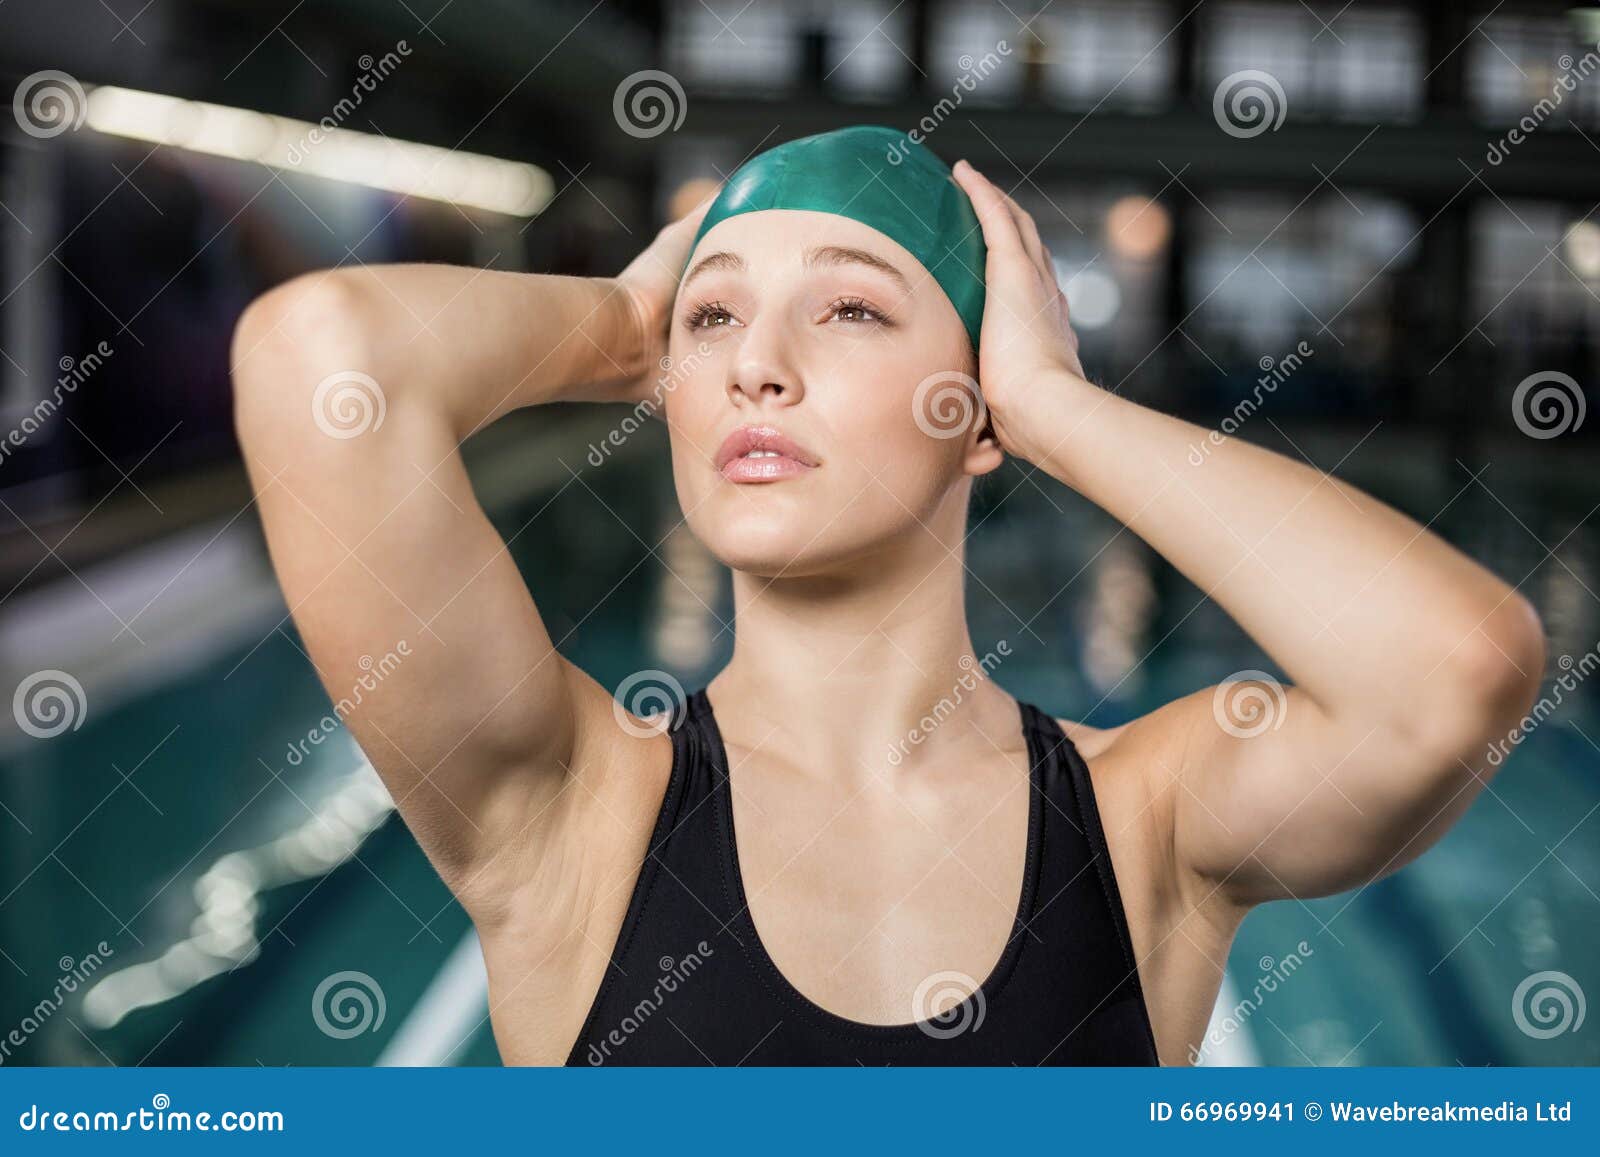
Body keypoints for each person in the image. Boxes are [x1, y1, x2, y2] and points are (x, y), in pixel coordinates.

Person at [230, 126, 1544, 1065]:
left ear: (972, 408)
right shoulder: (573, 808)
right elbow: (317, 360)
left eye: (850, 312)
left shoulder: (1144, 820)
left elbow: (1455, 666)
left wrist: (1056, 408)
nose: (758, 362)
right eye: (714, 320)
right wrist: (629, 324)